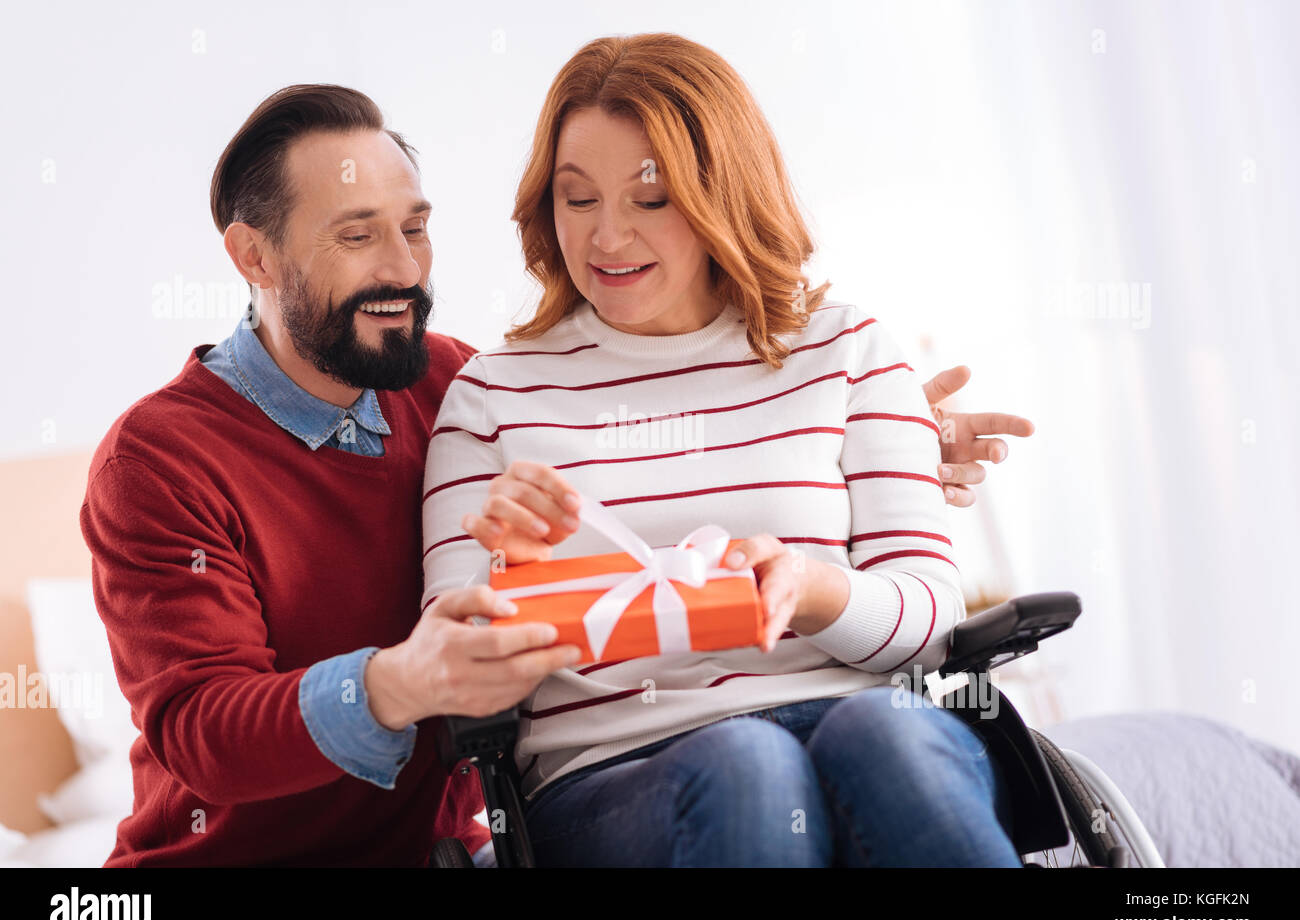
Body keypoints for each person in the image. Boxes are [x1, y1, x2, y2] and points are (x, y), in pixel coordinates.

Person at [422, 34, 1034, 866]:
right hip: (613, 772)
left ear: (723, 192)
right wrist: (513, 578)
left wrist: (812, 591)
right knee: (747, 762)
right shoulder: (493, 398)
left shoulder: (849, 351)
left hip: (863, 719)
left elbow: (930, 616)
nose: (606, 238)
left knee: (878, 735)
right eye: (577, 199)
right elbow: (449, 670)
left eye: (650, 198)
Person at [79, 84, 578, 866]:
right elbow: (206, 729)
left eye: (416, 229)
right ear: (255, 256)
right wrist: (397, 683)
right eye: (357, 236)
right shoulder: (155, 461)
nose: (406, 269)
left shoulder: (457, 386)